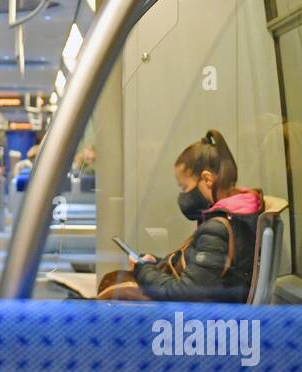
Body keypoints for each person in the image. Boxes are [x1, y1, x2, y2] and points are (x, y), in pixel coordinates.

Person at [98, 129, 262, 302]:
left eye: (184, 187)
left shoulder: (218, 229)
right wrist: (154, 264)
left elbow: (185, 293)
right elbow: (201, 272)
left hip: (200, 322)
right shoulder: (238, 217)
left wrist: (142, 269)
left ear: (207, 179)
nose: (183, 195)